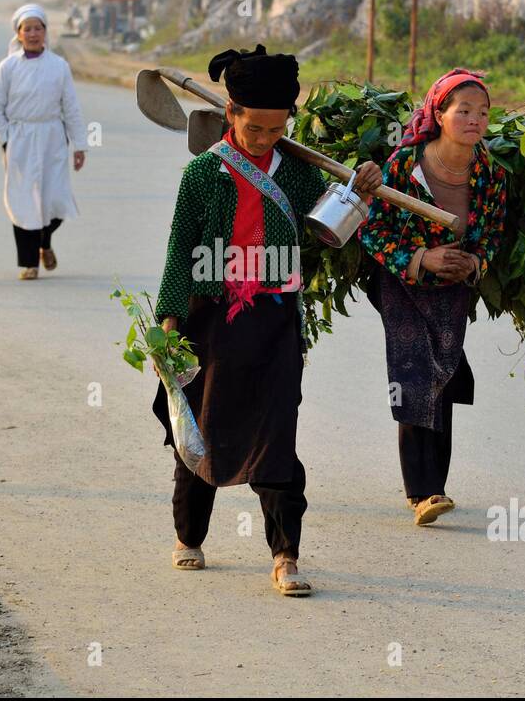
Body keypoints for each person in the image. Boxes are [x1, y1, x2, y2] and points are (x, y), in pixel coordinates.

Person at [151, 44, 381, 596]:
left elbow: (332, 232)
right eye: (254, 127)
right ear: (229, 114)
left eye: (276, 130)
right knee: (201, 427)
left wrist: (360, 192)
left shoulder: (299, 176)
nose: (263, 139)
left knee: (277, 434)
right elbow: (180, 252)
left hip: (275, 322)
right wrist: (168, 322)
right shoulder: (202, 175)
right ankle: (189, 535)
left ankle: (285, 555)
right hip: (210, 323)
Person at [357, 68, 508, 525]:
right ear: (438, 114)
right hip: (402, 284)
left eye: (482, 113)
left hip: (452, 289)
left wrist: (474, 263)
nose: (475, 120)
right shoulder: (404, 166)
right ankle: (424, 491)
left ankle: (432, 486)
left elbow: (492, 234)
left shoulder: (491, 175)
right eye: (463, 110)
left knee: (442, 373)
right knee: (414, 372)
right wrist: (422, 257)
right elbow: (371, 228)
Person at [0, 3, 86, 280]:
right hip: (19, 138)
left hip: (53, 138)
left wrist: (79, 145)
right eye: (27, 29)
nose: (33, 34)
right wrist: (5, 140)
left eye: (38, 28)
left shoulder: (59, 66)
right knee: (23, 201)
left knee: (55, 199)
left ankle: (45, 241)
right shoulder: (7, 67)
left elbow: (71, 107)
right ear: (18, 34)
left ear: (45, 31)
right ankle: (29, 264)